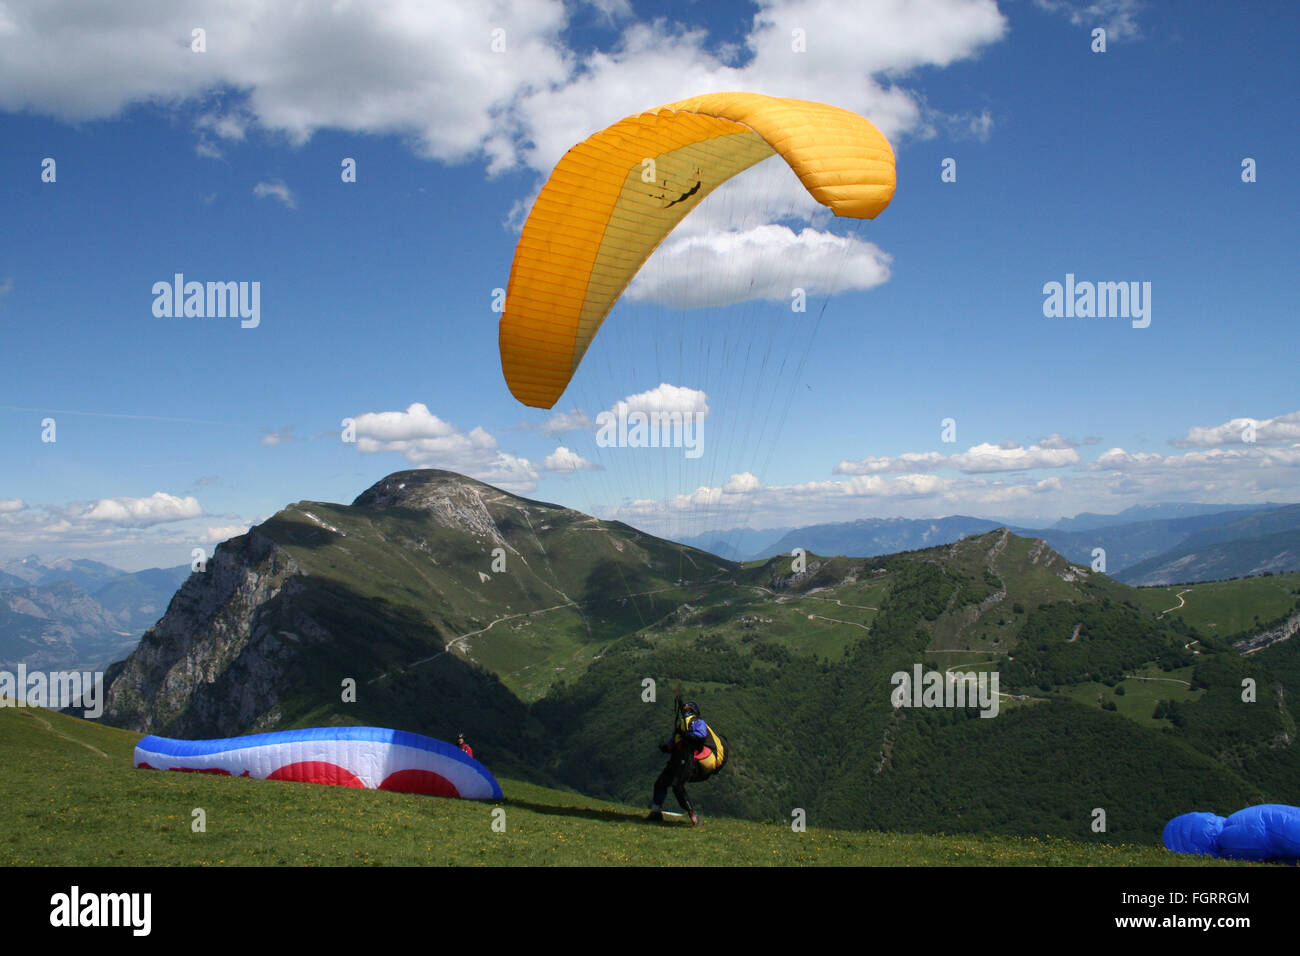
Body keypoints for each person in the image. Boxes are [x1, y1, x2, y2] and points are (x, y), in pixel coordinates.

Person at [649, 700, 709, 826]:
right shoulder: (681, 727)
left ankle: (694, 817)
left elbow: (701, 736)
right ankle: (655, 812)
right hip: (675, 759)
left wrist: (685, 735)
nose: (685, 711)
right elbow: (673, 744)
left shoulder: (698, 723)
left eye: (688, 709)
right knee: (660, 783)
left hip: (687, 759)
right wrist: (665, 747)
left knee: (678, 787)